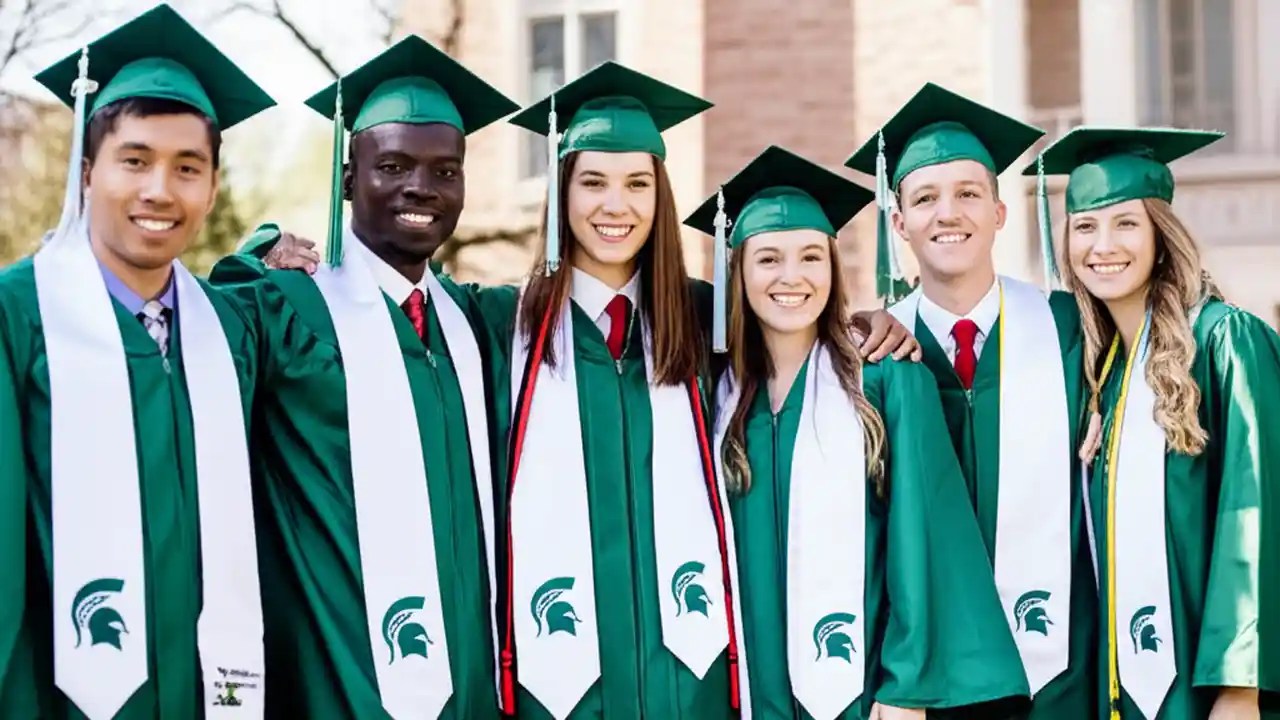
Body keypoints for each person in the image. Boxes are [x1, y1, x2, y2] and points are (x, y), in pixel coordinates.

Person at [207, 36, 519, 719]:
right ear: (348, 180)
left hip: (470, 685)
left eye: (445, 171)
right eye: (394, 165)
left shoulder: (473, 326)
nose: (420, 188)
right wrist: (250, 257)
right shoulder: (289, 308)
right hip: (342, 685)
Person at [685, 145, 1030, 720]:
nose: (791, 278)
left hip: (863, 695)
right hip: (744, 695)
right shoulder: (712, 397)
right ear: (736, 273)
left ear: (833, 268)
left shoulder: (890, 383)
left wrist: (905, 689)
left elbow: (925, 545)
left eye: (810, 258)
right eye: (768, 259)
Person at [0, 4, 275, 716]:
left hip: (210, 694)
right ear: (86, 172)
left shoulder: (229, 332)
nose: (159, 190)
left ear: (212, 188)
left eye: (188, 168)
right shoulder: (18, 317)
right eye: (134, 161)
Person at [844, 82, 1097, 720]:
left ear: (999, 210)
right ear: (898, 222)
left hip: (1060, 674)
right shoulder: (874, 358)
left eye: (967, 194)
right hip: (924, 686)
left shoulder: (1069, 331)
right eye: (925, 198)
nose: (947, 213)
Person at [1033, 126, 1280, 720]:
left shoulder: (1223, 340)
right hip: (1118, 694)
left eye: (1126, 224)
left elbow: (1257, 513)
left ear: (1161, 236)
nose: (1103, 245)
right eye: (1086, 228)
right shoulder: (1102, 375)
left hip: (1210, 691)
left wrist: (1239, 689)